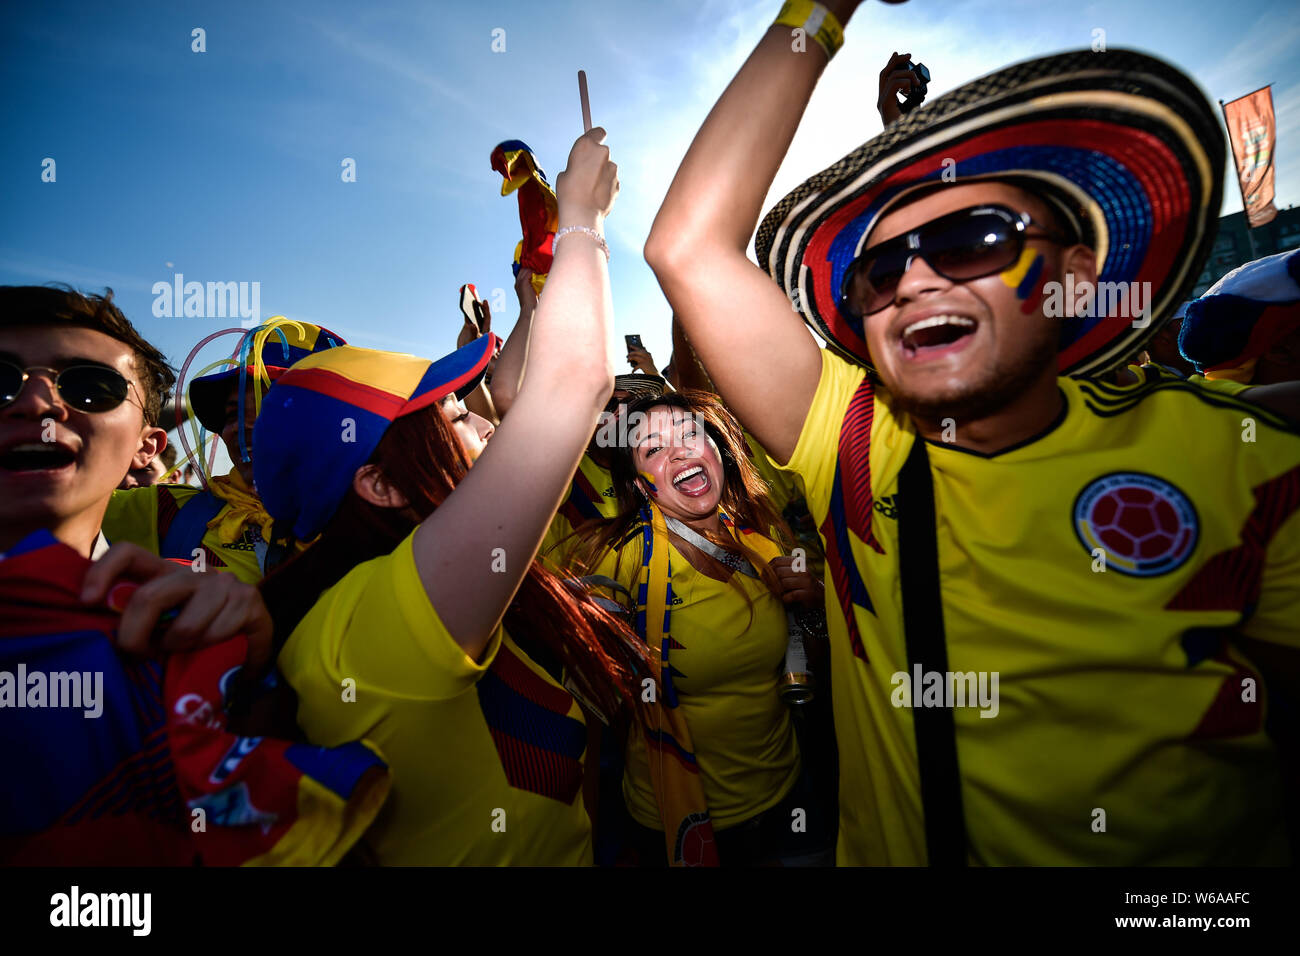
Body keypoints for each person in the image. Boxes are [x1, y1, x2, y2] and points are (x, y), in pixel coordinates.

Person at [645, 0, 1299, 865]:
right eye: (881, 268)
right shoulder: (856, 441)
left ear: (1073, 276)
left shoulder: (1243, 467)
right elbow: (688, 246)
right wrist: (820, 11)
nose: (914, 278)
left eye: (971, 239)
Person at [255, 128, 661, 865]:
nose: (479, 420)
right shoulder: (375, 623)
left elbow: (513, 391)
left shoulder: (388, 578)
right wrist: (582, 221)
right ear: (377, 484)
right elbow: (570, 385)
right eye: (447, 415)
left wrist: (534, 275)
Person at [0, 285, 387, 865]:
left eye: (88, 388)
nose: (35, 405)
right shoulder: (170, 512)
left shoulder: (388, 528)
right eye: (235, 415)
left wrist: (252, 666)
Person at [564, 388, 833, 865]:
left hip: (789, 788)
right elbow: (591, 698)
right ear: (639, 483)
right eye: (653, 448)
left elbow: (810, 664)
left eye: (691, 433)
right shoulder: (622, 559)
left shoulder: (758, 534)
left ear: (716, 449)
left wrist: (814, 605)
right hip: (680, 816)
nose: (682, 450)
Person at [102, 321, 343, 582]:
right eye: (232, 414)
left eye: (271, 407)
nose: (242, 428)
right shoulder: (168, 509)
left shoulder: (372, 523)